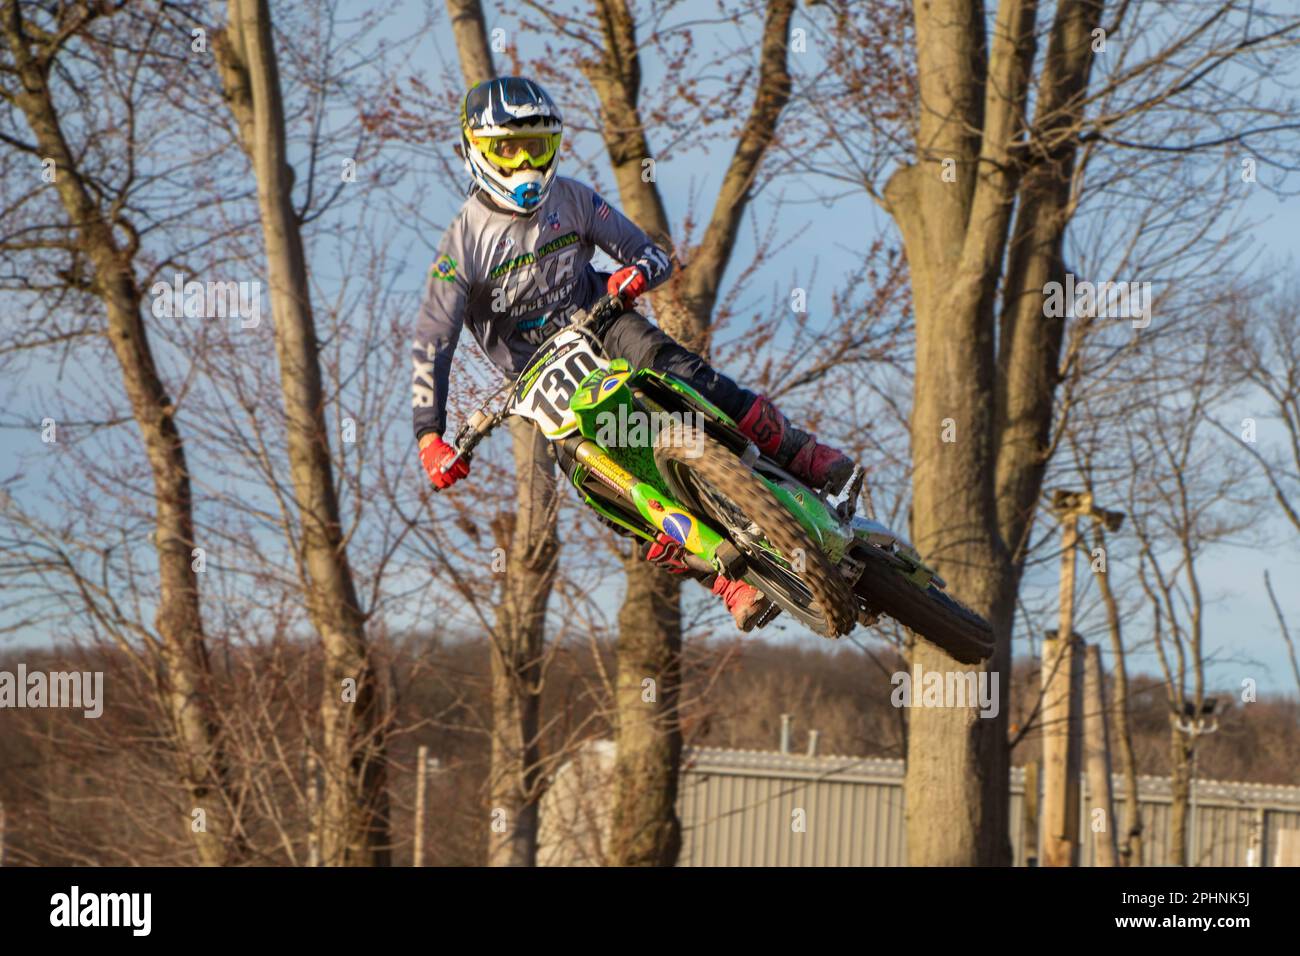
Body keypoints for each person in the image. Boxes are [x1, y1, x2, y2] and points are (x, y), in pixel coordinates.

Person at [412, 76, 856, 631]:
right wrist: (430, 435)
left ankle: (796, 450)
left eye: (537, 146)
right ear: (476, 151)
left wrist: (638, 272)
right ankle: (723, 578)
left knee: (676, 368)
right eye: (509, 148)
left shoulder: (571, 198)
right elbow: (433, 339)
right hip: (538, 375)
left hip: (601, 321)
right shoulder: (461, 246)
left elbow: (651, 252)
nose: (525, 162)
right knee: (601, 484)